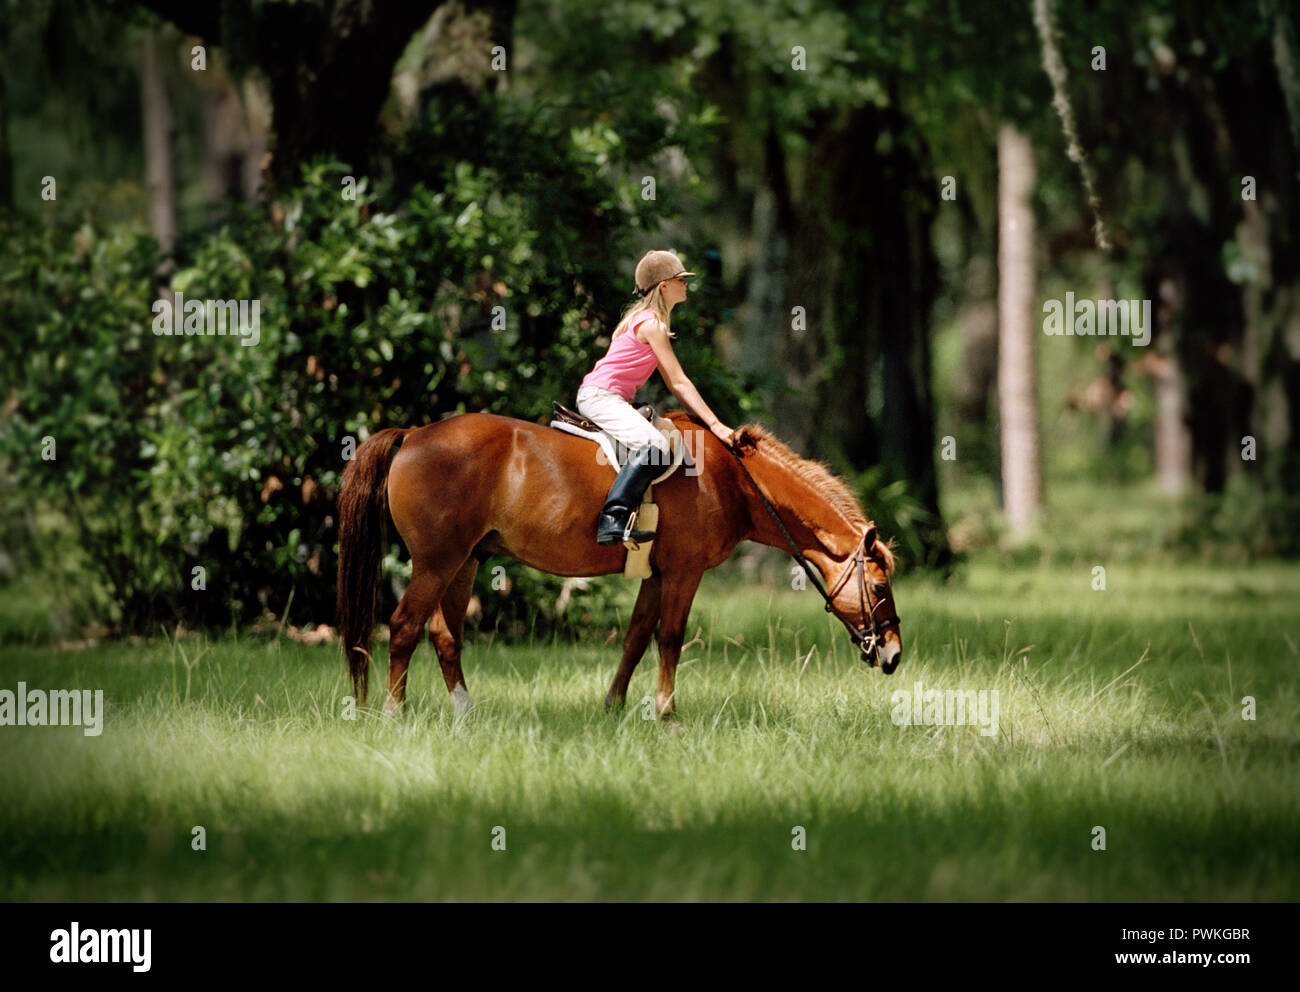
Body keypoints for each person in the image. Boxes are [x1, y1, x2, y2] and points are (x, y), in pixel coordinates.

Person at [576, 249, 735, 545]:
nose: (685, 284)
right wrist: (715, 425)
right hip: (601, 397)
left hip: (603, 396)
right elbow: (678, 382)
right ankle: (613, 518)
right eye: (680, 280)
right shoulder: (653, 324)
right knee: (658, 446)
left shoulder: (639, 318)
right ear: (664, 286)